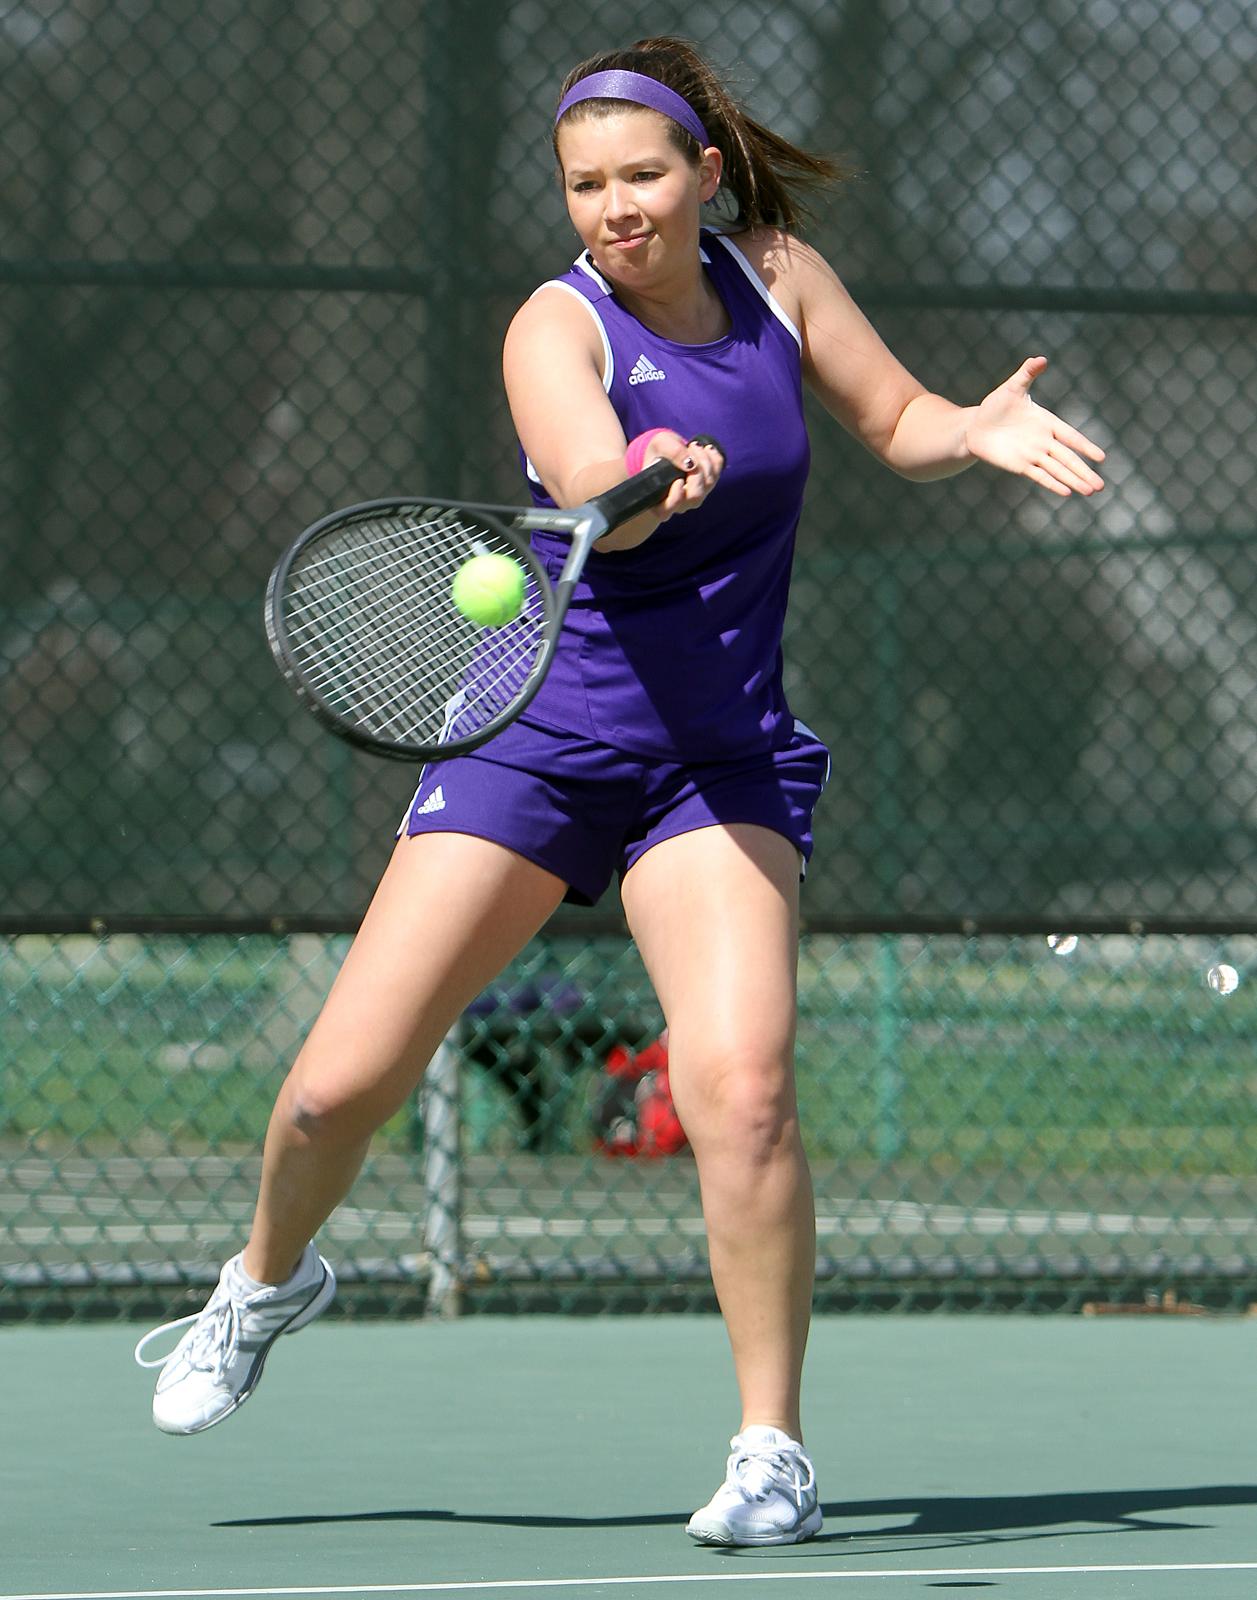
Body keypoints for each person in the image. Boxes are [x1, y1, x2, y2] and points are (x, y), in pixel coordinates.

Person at [134, 35, 1106, 1547]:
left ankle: (772, 1450)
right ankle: (264, 1280)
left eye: (641, 176)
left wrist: (968, 430)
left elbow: (897, 418)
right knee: (334, 1087)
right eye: (585, 186)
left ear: (703, 174)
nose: (615, 208)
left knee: (744, 1093)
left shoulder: (779, 278)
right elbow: (602, 491)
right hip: (534, 739)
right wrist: (647, 468)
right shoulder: (552, 323)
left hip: (714, 761)